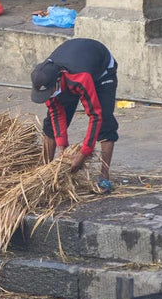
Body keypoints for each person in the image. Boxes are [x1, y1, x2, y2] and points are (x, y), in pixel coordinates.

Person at [30, 38, 119, 192]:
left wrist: (84, 153)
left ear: (57, 82)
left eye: (48, 92)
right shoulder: (44, 75)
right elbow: (56, 113)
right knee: (50, 125)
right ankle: (45, 172)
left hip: (101, 70)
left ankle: (104, 178)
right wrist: (62, 149)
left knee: (105, 122)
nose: (46, 96)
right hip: (73, 69)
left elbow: (95, 115)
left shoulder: (79, 79)